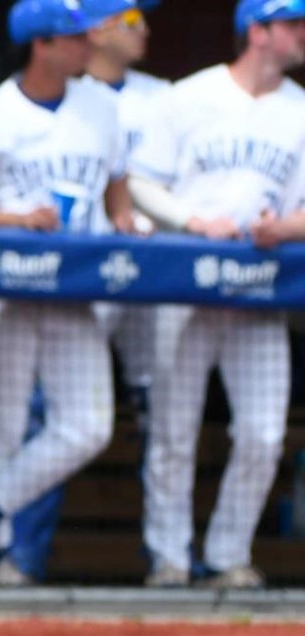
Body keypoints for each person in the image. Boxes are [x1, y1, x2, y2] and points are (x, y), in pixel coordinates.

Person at [0, 0, 136, 586]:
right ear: (41, 45)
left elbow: (117, 177)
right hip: (3, 290)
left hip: (75, 288)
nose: (87, 47)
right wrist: (15, 220)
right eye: (74, 39)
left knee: (88, 425)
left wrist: (121, 217)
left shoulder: (99, 105)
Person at [127, 0, 305, 588]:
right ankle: (169, 556)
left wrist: (284, 228)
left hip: (262, 285)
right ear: (257, 32)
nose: (302, 35)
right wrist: (192, 219)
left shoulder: (301, 110)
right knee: (174, 428)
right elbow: (141, 181)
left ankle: (228, 554)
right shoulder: (187, 97)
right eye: (292, 25)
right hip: (187, 277)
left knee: (263, 432)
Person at [0, 0, 170, 585]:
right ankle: (18, 556)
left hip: (139, 279)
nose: (140, 26)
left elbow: (127, 179)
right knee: (41, 416)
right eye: (126, 18)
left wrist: (130, 214)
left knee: (153, 413)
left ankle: (167, 560)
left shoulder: (161, 97)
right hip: (67, 284)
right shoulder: (9, 111)